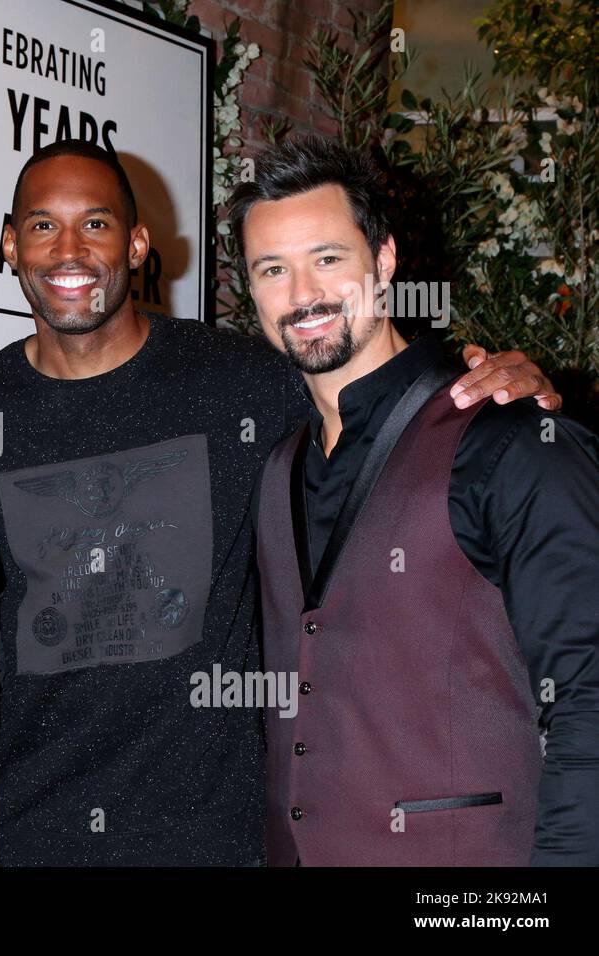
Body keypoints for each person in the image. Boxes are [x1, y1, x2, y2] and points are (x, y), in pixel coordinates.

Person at [0, 137, 561, 866]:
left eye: (97, 223)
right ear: (10, 244)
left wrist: (497, 382)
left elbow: (377, 388)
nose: (69, 249)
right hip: (30, 836)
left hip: (220, 838)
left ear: (137, 245)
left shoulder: (246, 382)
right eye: (42, 225)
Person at [233, 136, 599, 866]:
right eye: (273, 269)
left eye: (328, 258)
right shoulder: (275, 470)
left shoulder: (509, 440)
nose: (302, 293)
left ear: (386, 260)